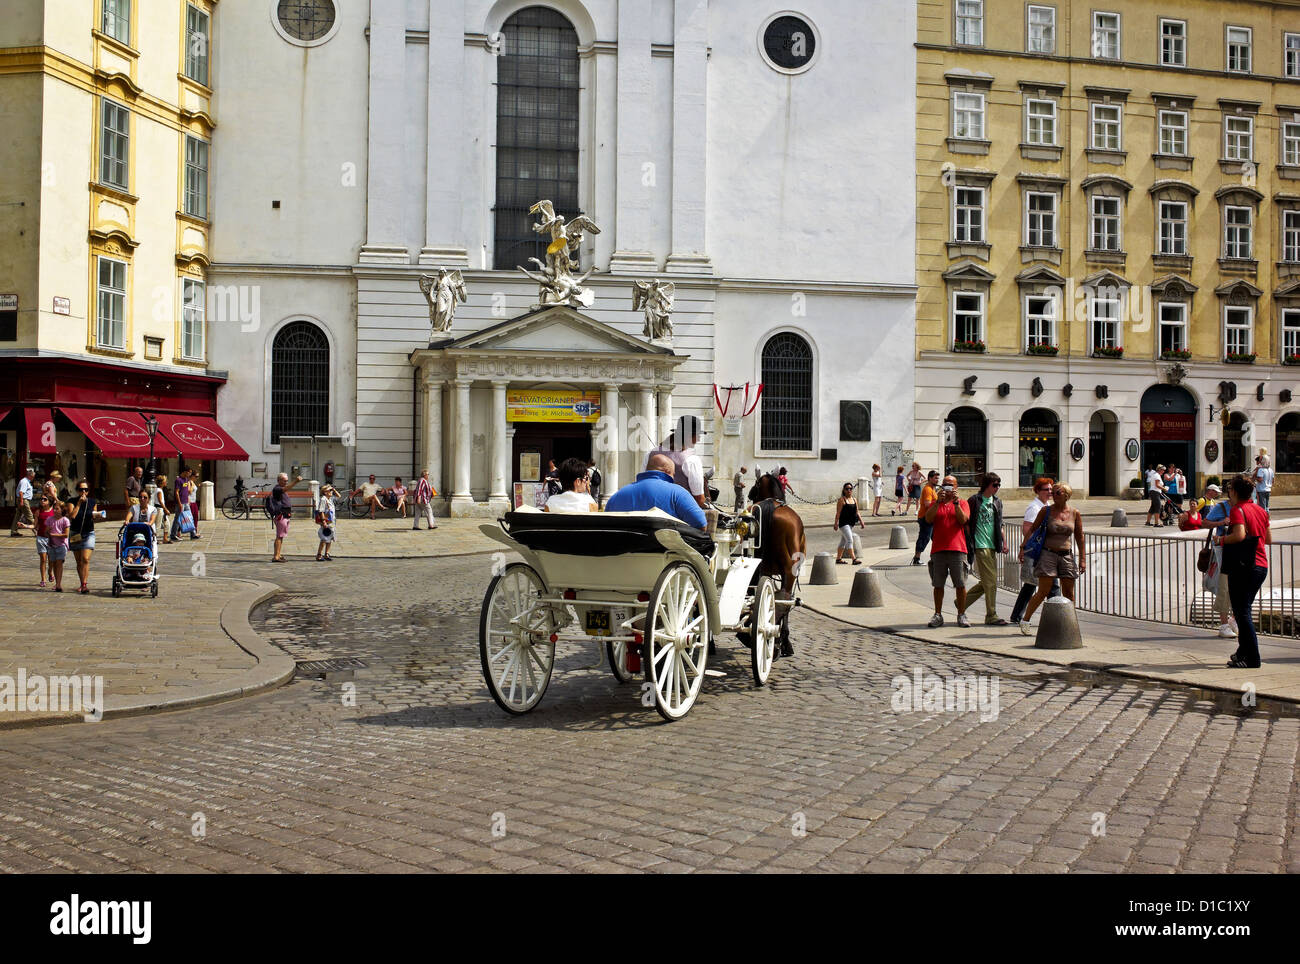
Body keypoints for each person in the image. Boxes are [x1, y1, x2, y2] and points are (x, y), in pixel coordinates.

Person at [1214, 475, 1271, 668]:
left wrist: (1220, 540)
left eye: (1230, 489)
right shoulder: (1261, 510)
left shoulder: (1238, 510)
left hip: (1244, 566)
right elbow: (1268, 538)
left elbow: (1239, 535)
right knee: (1241, 611)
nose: (1228, 491)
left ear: (1235, 492)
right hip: (1261, 566)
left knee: (1242, 612)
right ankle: (1242, 653)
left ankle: (1252, 658)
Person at [1019, 482, 1086, 634]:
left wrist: (1083, 559)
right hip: (1047, 553)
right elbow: (1033, 529)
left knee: (1069, 593)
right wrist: (1023, 547)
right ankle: (1026, 620)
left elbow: (1079, 537)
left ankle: (1070, 623)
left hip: (1066, 555)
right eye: (1053, 492)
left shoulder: (1075, 513)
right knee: (1043, 590)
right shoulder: (1046, 511)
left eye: (1057, 492)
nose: (1053, 495)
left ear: (1066, 496)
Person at [605, 453, 707, 528]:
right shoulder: (678, 493)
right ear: (667, 471)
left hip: (624, 554)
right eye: (673, 474)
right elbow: (700, 524)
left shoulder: (616, 496)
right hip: (666, 554)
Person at [924, 476, 971, 628]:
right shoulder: (935, 503)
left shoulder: (963, 503)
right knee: (938, 584)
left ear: (956, 487)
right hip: (938, 549)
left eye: (950, 486)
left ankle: (961, 614)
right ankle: (938, 614)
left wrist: (956, 504)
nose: (947, 488)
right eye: (944, 485)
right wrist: (938, 502)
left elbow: (963, 520)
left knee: (960, 584)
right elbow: (928, 519)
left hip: (958, 549)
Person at [962, 473, 1008, 626]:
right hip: (980, 545)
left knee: (987, 582)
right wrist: (970, 542)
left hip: (992, 545)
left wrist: (1004, 542)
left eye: (999, 485)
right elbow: (967, 523)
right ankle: (991, 615)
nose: (997, 488)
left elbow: (1000, 523)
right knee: (991, 582)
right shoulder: (975, 500)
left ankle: (960, 603)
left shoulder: (997, 502)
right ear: (987, 485)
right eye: (995, 485)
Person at [1010, 477, 1055, 624]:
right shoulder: (1034, 508)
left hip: (1044, 550)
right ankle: (1058, 616)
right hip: (1038, 551)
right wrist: (1025, 548)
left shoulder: (1047, 505)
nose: (1049, 492)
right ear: (1038, 491)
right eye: (1046, 489)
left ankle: (1017, 615)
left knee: (1031, 585)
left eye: (1050, 489)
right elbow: (1027, 530)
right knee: (1050, 585)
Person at [1197, 482, 1238, 640]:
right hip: (1223, 551)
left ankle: (1233, 619)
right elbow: (1205, 522)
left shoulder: (1246, 506)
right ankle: (1223, 624)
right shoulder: (1221, 508)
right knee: (1224, 588)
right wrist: (1222, 523)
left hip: (1238, 551)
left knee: (1237, 587)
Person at [648, 415, 707, 508]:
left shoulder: (651, 453)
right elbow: (699, 498)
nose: (699, 439)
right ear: (689, 436)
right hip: (679, 515)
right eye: (697, 435)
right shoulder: (692, 460)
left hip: (651, 509)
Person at [68, 478, 105, 594]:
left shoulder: (92, 502)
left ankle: (84, 584)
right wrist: (79, 503)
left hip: (88, 533)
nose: (83, 492)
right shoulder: (71, 501)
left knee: (85, 559)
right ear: (77, 491)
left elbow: (93, 515)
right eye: (81, 489)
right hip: (75, 533)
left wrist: (98, 515)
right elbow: (72, 516)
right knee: (79, 561)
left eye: (86, 490)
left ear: (88, 491)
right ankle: (81, 582)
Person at [16, 493, 55, 587]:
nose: (42, 500)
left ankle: (50, 572)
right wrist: (24, 526)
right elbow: (35, 525)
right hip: (41, 538)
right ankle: (43, 579)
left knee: (51, 560)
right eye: (41, 499)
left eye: (45, 499)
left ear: (50, 502)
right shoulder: (38, 512)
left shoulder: (54, 512)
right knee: (43, 559)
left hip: (51, 539)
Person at [269, 472, 303, 563]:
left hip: (285, 515)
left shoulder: (281, 489)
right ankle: (276, 556)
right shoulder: (277, 489)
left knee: (281, 536)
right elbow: (286, 488)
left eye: (287, 481)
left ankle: (278, 554)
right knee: (279, 536)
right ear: (279, 480)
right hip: (281, 516)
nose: (286, 482)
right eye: (284, 481)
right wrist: (295, 481)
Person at [910, 470, 940, 566]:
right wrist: (938, 502)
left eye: (938, 478)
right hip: (925, 517)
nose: (937, 480)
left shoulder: (932, 489)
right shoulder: (928, 489)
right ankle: (916, 558)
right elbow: (927, 504)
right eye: (935, 478)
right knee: (924, 537)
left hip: (931, 518)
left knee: (935, 538)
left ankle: (935, 557)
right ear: (930, 478)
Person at [832, 482, 865, 564]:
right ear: (844, 490)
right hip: (843, 523)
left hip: (851, 523)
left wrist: (861, 521)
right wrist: (836, 523)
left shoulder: (854, 500)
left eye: (850, 488)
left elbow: (857, 512)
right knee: (850, 540)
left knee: (843, 541)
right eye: (847, 489)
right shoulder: (842, 500)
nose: (849, 490)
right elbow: (838, 513)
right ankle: (854, 559)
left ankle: (838, 559)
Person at [45, 501, 70, 592]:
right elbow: (46, 533)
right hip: (51, 545)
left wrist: (54, 535)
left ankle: (58, 584)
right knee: (54, 564)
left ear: (62, 510)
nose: (55, 510)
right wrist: (48, 532)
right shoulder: (49, 519)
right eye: (54, 509)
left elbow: (66, 535)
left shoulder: (65, 520)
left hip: (61, 545)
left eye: (57, 509)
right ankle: (56, 582)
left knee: (59, 563)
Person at [9, 466, 35, 536]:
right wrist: (21, 501)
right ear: (30, 475)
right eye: (33, 476)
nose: (33, 478)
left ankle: (13, 531)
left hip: (23, 500)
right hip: (24, 500)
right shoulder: (24, 481)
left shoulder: (26, 481)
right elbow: (21, 492)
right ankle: (37, 530)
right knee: (30, 516)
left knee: (18, 516)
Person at [315, 485, 338, 561]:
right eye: (330, 490)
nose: (331, 492)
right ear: (325, 492)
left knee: (330, 537)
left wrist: (333, 490)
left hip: (331, 521)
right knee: (324, 538)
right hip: (326, 521)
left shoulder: (330, 498)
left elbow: (339, 496)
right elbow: (321, 511)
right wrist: (324, 521)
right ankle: (319, 554)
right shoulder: (323, 499)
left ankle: (327, 553)